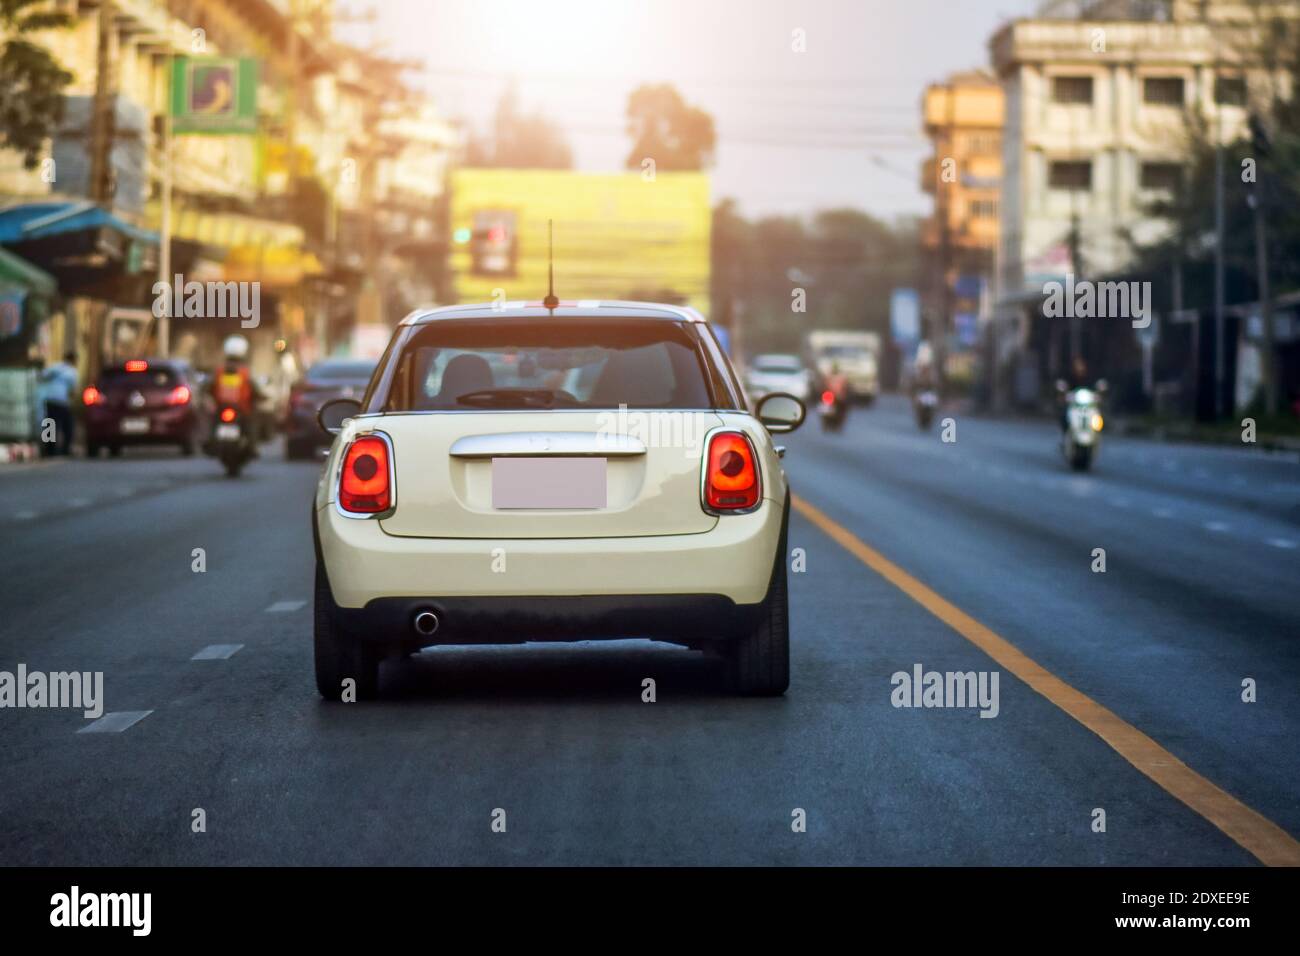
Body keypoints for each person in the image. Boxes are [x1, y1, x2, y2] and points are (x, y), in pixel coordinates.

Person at [39, 352, 79, 456]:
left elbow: (42, 377)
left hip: (49, 399)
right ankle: (65, 449)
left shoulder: (55, 367)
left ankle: (48, 450)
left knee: (50, 424)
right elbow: (73, 390)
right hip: (62, 401)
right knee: (67, 426)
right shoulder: (72, 372)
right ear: (73, 360)